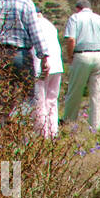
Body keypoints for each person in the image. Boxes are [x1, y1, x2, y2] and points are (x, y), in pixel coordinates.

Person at [60, 0, 100, 131]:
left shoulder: (75, 18)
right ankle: (95, 127)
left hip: (82, 54)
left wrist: (70, 56)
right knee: (98, 94)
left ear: (78, 8)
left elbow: (71, 39)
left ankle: (68, 122)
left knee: (75, 91)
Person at [33, 8, 64, 136]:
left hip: (40, 66)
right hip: (57, 66)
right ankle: (53, 131)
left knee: (39, 101)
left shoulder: (34, 25)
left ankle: (41, 134)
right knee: (51, 101)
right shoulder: (50, 26)